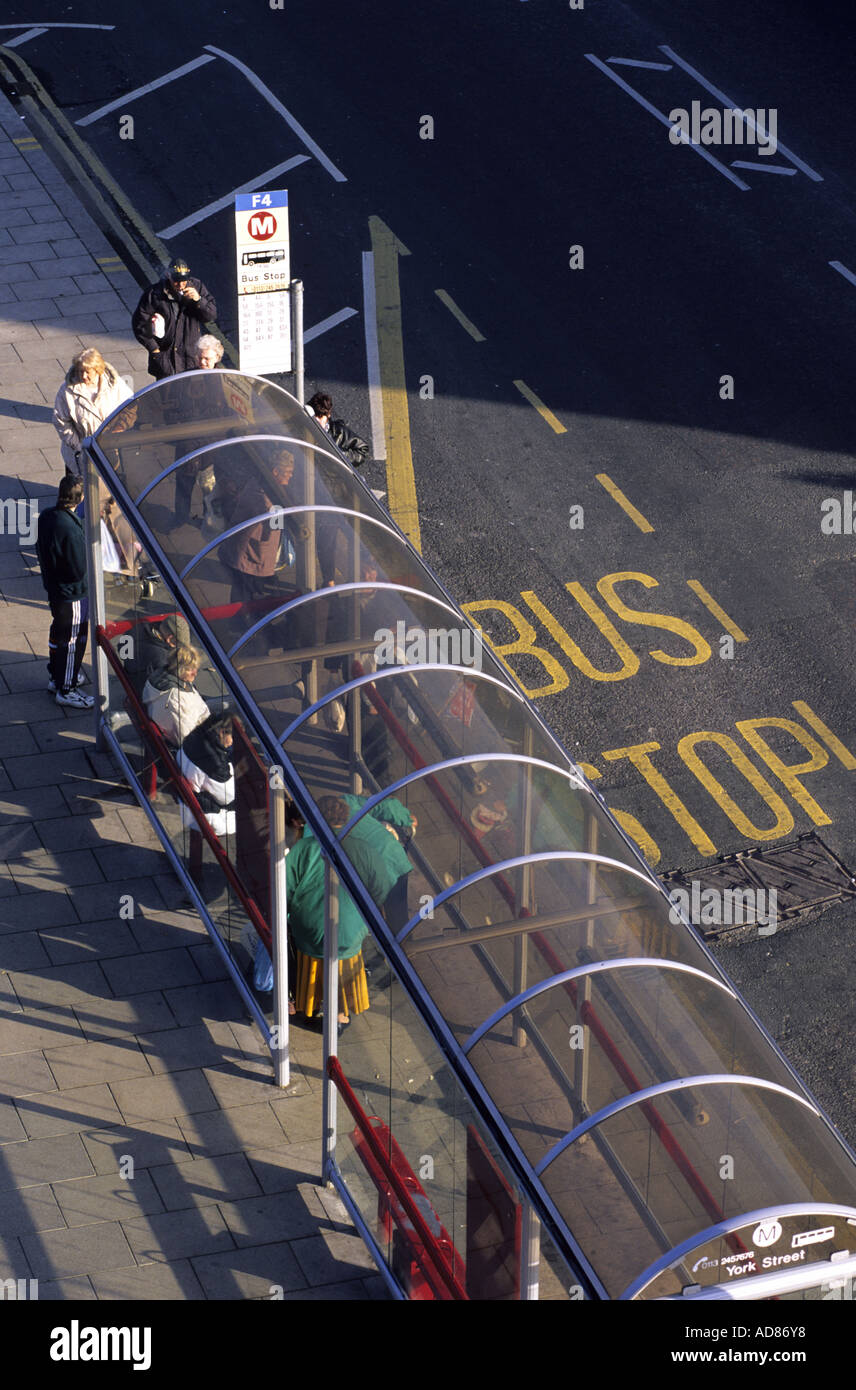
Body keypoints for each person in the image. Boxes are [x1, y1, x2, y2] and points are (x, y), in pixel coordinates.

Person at [35, 474, 94, 709]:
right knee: (73, 639)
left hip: (55, 590)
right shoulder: (71, 528)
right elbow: (79, 569)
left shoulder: (48, 516)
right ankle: (66, 688)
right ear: (79, 499)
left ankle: (56, 675)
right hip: (73, 595)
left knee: (58, 633)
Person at [131, 256, 217, 379]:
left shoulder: (197, 287)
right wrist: (154, 350)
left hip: (190, 360)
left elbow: (211, 315)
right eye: (176, 281)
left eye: (184, 281)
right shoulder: (155, 293)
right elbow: (139, 323)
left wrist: (199, 300)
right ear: (169, 276)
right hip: (165, 359)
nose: (181, 285)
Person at [52, 348, 132, 477]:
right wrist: (79, 446)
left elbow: (130, 408)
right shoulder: (67, 390)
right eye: (80, 372)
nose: (83, 376)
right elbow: (61, 421)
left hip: (110, 450)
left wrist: (119, 429)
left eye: (87, 372)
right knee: (80, 490)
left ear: (97, 370)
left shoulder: (116, 385)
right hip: (80, 453)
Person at [176, 710, 236, 837]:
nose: (232, 742)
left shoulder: (195, 735)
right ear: (222, 732)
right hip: (205, 816)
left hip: (187, 798)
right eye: (233, 737)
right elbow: (228, 797)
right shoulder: (216, 765)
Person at [142, 643, 210, 745]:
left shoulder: (164, 678)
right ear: (179, 668)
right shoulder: (175, 698)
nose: (195, 673)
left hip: (202, 729)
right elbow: (186, 738)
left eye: (196, 668)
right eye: (190, 669)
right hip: (194, 744)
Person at [123, 613, 191, 697]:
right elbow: (168, 686)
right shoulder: (161, 657)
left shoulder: (137, 629)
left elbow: (122, 649)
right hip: (145, 695)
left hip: (130, 679)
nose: (179, 648)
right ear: (170, 639)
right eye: (179, 644)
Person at [307, 391, 369, 468]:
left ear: (328, 415)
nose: (317, 420)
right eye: (314, 415)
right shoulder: (302, 429)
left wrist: (339, 456)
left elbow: (362, 449)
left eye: (320, 416)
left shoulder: (340, 432)